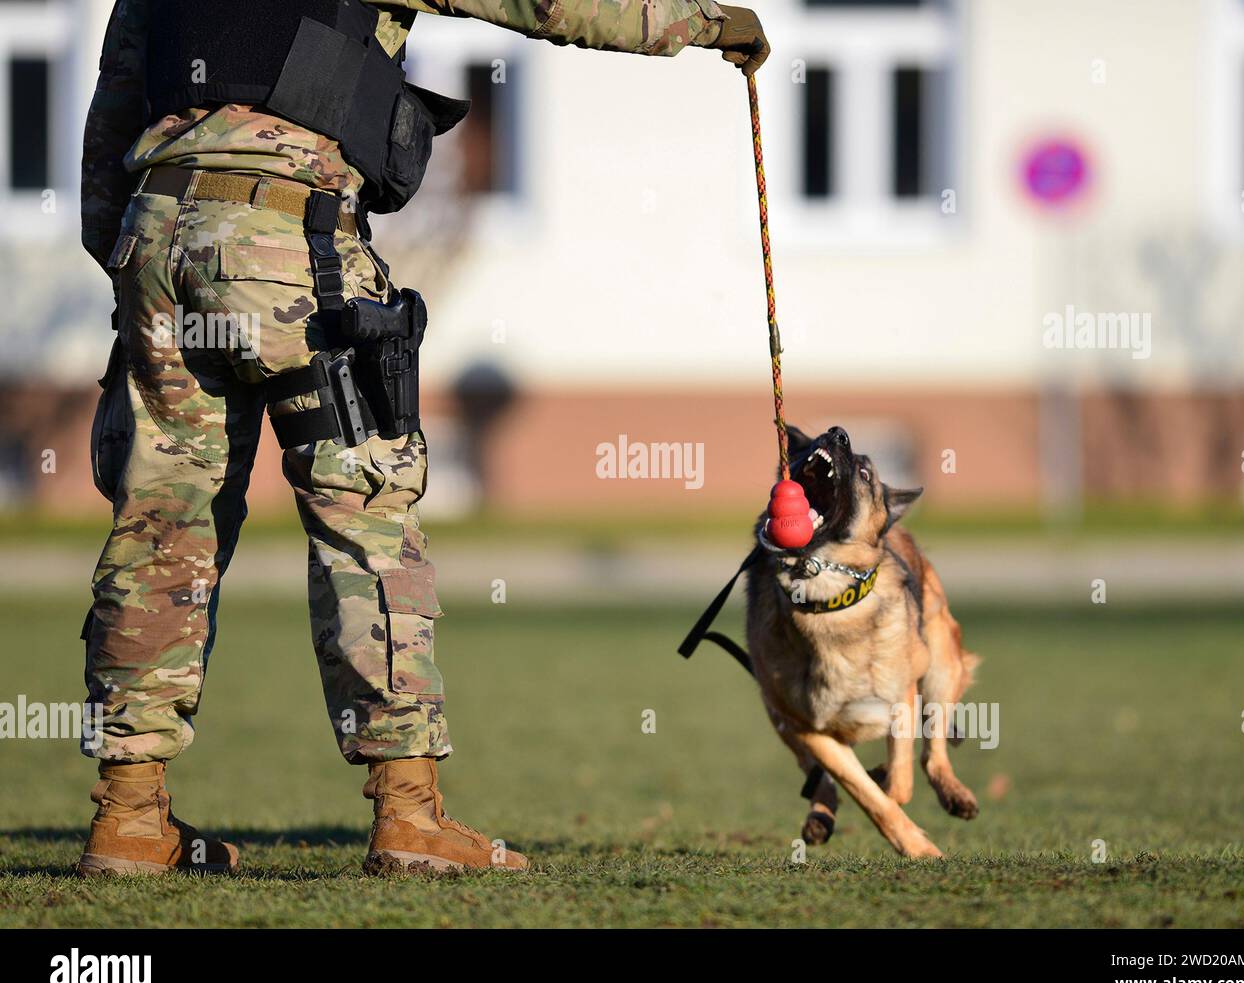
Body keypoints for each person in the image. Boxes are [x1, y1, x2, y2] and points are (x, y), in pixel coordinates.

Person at [76, 0, 770, 876]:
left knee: (159, 530)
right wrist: (708, 24)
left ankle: (128, 819)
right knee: (364, 515)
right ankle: (408, 817)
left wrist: (133, 266)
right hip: (289, 231)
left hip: (159, 232)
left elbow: (113, 112)